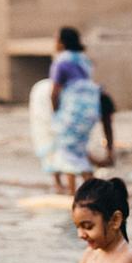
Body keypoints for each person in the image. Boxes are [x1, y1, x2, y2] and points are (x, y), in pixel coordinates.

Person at [49, 27, 102, 195]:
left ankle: (73, 195)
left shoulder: (61, 60)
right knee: (80, 150)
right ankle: (93, 193)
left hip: (72, 109)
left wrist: (55, 112)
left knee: (68, 152)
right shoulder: (84, 59)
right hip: (91, 108)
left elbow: (55, 91)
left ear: (62, 42)